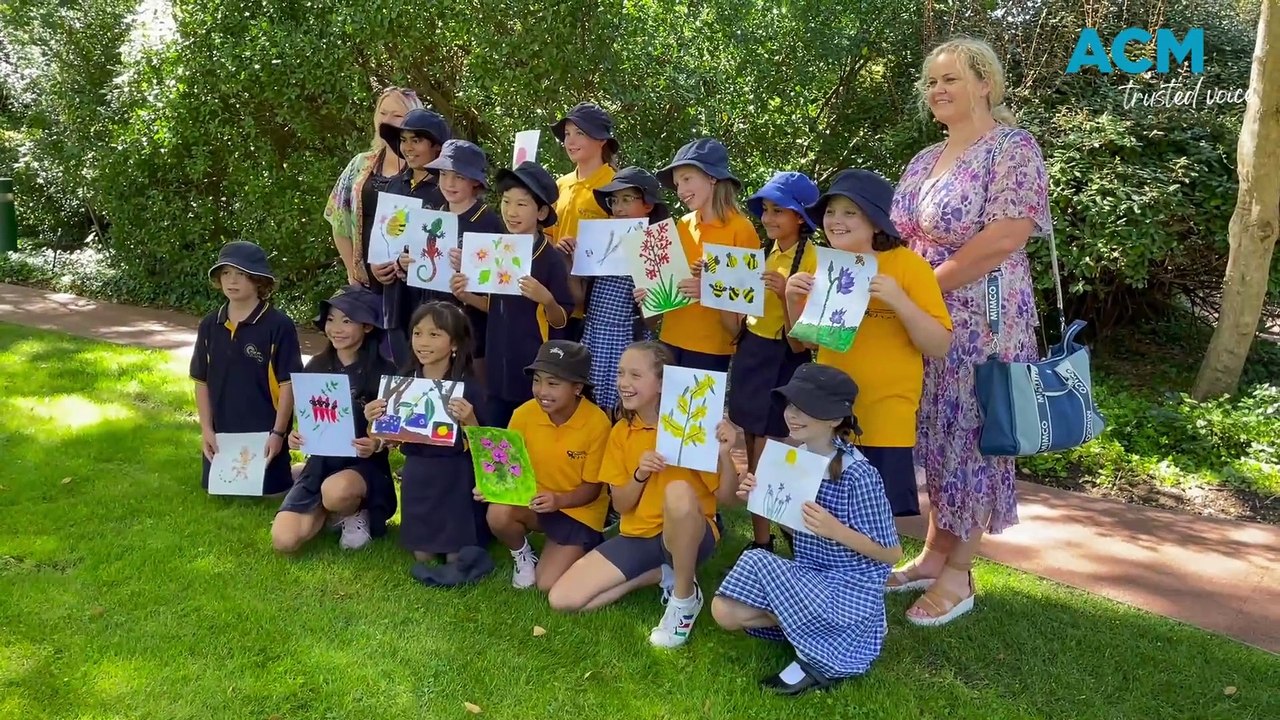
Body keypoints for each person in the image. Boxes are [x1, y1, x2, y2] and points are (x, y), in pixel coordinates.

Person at [884, 36, 1050, 626]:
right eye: (930, 82)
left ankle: (961, 573)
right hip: (928, 312)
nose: (937, 90)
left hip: (986, 315)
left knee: (976, 433)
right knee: (937, 429)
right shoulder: (926, 158)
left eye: (949, 79)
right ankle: (934, 553)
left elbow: (1007, 236)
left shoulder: (1012, 148)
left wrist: (924, 288)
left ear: (986, 82)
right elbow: (901, 237)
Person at [712, 364, 901, 696]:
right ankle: (826, 632)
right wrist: (762, 499)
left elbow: (891, 553)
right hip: (812, 577)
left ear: (833, 420)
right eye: (791, 407)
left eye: (806, 409)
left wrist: (835, 529)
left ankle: (844, 633)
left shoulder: (859, 475)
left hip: (850, 589)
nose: (793, 416)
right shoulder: (797, 458)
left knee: (757, 561)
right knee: (724, 611)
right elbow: (797, 527)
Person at [784, 169, 952, 526]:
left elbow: (939, 345)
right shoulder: (824, 264)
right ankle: (827, 578)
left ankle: (869, 581)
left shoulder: (910, 267)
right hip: (827, 417)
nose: (835, 221)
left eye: (849, 212)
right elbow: (803, 343)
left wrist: (899, 301)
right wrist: (792, 301)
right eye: (830, 211)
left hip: (884, 416)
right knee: (822, 516)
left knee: (873, 523)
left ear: (876, 222)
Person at [548, 341, 739, 649]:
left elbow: (729, 498)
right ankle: (656, 574)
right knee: (563, 600)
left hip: (689, 533)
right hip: (637, 535)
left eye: (635, 375)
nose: (624, 383)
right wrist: (640, 473)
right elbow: (622, 506)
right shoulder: (621, 432)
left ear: (662, 382)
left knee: (678, 491)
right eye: (621, 374)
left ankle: (684, 597)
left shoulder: (692, 426)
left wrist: (726, 454)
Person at [730, 171, 820, 554]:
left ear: (800, 217)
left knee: (783, 453)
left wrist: (787, 295)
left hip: (785, 358)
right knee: (752, 447)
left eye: (778, 211)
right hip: (752, 351)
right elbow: (738, 310)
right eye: (765, 210)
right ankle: (763, 539)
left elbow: (803, 343)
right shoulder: (765, 254)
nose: (768, 218)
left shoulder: (815, 259)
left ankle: (796, 531)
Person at [450, 161, 575, 428]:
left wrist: (546, 298)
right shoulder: (498, 249)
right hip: (497, 368)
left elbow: (562, 319)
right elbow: (496, 306)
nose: (511, 212)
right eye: (506, 202)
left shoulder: (549, 259)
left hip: (534, 372)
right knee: (497, 439)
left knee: (529, 440)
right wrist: (466, 295)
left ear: (541, 212)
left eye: (521, 204)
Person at [272, 285, 397, 553]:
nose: (336, 328)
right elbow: (310, 419)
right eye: (330, 319)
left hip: (365, 468)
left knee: (335, 491)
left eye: (347, 320)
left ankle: (356, 511)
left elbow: (394, 435)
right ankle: (328, 510)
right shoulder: (315, 366)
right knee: (284, 541)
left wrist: (376, 442)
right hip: (321, 463)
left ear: (367, 326)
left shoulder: (386, 372)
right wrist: (296, 436)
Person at [363, 302, 490, 561]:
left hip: (457, 475)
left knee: (457, 558)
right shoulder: (403, 382)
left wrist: (470, 420)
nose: (423, 341)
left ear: (454, 344)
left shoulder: (469, 387)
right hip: (418, 474)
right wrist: (372, 419)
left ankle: (473, 531)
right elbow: (386, 438)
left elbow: (486, 448)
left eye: (435, 334)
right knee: (423, 557)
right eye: (418, 333)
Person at [481, 341, 612, 590]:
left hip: (578, 510)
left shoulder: (598, 423)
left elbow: (593, 489)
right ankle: (522, 555)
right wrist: (492, 487)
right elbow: (508, 467)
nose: (542, 390)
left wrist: (559, 501)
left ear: (577, 388)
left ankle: (588, 545)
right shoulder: (523, 414)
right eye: (537, 381)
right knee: (497, 512)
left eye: (553, 384)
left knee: (546, 584)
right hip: (534, 501)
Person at [191, 241, 302, 496]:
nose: (232, 281)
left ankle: (299, 470)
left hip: (265, 432)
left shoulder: (279, 325)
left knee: (272, 492)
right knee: (219, 491)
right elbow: (201, 381)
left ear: (258, 281)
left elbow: (288, 385)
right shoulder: (209, 325)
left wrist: (278, 433)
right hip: (222, 433)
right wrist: (207, 430)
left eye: (241, 274)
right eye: (226, 273)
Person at [648, 138, 760, 372]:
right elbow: (669, 286)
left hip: (710, 349)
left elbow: (745, 309)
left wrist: (708, 290)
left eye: (687, 179)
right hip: (669, 340)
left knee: (695, 410)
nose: (680, 191)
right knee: (666, 410)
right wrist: (652, 292)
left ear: (712, 177)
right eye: (677, 183)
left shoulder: (741, 229)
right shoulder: (682, 224)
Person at [580, 166, 671, 412]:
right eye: (614, 201)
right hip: (594, 335)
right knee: (591, 407)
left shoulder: (656, 248)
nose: (618, 208)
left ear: (648, 205)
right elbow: (578, 298)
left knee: (626, 408)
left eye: (627, 199)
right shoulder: (599, 239)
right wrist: (571, 258)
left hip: (628, 340)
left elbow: (653, 322)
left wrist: (648, 299)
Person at [415, 139, 505, 378]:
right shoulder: (434, 216)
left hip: (473, 330)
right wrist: (407, 265)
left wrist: (472, 264)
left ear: (475, 181)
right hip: (434, 324)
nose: (449, 183)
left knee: (473, 391)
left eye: (459, 176)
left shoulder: (489, 222)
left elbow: (498, 288)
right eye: (444, 174)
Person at [374, 108, 452, 364]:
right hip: (395, 301)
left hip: (432, 302)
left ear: (437, 147)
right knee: (401, 370)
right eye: (403, 140)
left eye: (416, 140)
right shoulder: (395, 185)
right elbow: (383, 239)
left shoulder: (448, 191)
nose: (407, 147)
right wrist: (377, 266)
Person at [325, 87, 422, 287]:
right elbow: (338, 220)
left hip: (412, 280)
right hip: (365, 282)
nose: (386, 120)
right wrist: (353, 274)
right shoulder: (360, 164)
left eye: (396, 115)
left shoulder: (424, 168)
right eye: (382, 112)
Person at [547, 102, 620, 341]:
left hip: (598, 304)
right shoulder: (560, 184)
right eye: (567, 134)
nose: (570, 141)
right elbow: (548, 235)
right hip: (557, 297)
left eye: (580, 133)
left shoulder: (616, 185)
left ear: (602, 140)